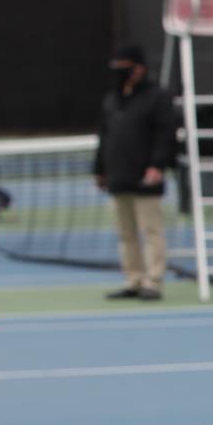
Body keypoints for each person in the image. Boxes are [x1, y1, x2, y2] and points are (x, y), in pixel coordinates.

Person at [92, 42, 178, 301]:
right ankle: (134, 279)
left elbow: (166, 135)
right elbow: (104, 137)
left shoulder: (157, 97)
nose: (119, 72)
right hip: (119, 175)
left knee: (151, 230)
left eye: (124, 68)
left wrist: (157, 165)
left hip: (145, 176)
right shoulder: (112, 99)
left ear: (139, 69)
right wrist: (100, 169)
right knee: (126, 233)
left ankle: (154, 281)